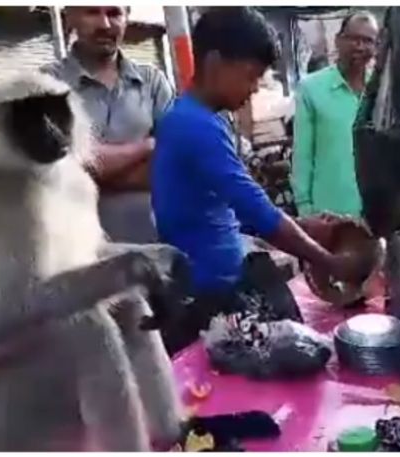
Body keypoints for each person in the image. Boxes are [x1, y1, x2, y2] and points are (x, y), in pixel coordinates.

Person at [152, 7, 376, 354]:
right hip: (205, 295)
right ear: (214, 63)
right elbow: (256, 209)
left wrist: (302, 226)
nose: (255, 88)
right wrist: (327, 260)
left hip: (220, 277)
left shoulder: (207, 119)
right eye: (250, 75)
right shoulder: (195, 125)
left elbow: (230, 212)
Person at [41, 6, 175, 243]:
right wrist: (147, 146)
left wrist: (87, 171)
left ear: (127, 16)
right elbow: (51, 173)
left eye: (114, 13)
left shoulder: (152, 82)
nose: (104, 24)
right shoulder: (47, 85)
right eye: (92, 12)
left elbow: (176, 167)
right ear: (70, 17)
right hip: (77, 253)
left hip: (154, 247)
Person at [291, 11, 379, 217]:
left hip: (376, 215)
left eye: (368, 41)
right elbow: (302, 156)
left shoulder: (380, 89)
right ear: (338, 41)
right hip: (330, 217)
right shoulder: (311, 89)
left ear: (376, 47)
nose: (360, 46)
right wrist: (306, 211)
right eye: (353, 39)